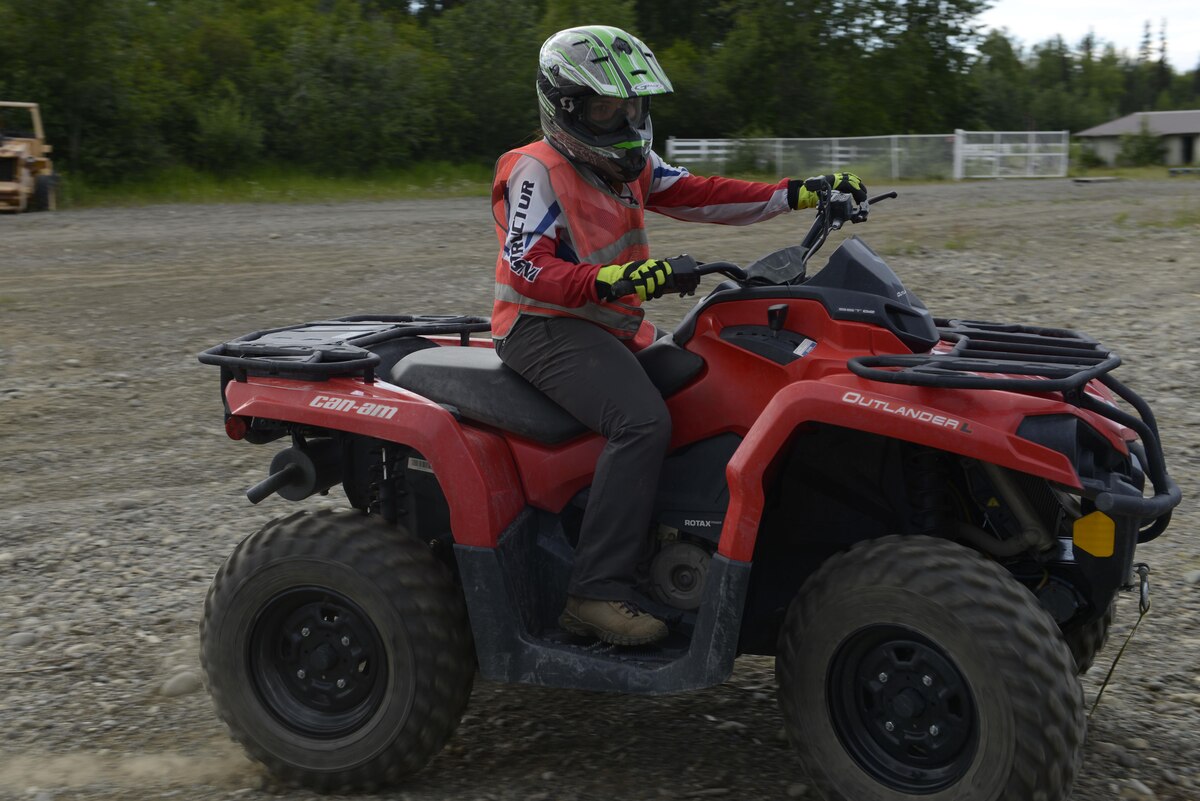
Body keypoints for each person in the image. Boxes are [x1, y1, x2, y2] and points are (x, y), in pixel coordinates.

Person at [491, 24, 866, 646]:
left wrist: (795, 194)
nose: (625, 120)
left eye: (632, 106)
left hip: (611, 325)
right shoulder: (537, 169)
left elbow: (700, 193)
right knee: (641, 422)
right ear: (566, 107)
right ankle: (594, 591)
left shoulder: (629, 162)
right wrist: (616, 278)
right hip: (544, 327)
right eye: (607, 108)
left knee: (706, 388)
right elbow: (530, 265)